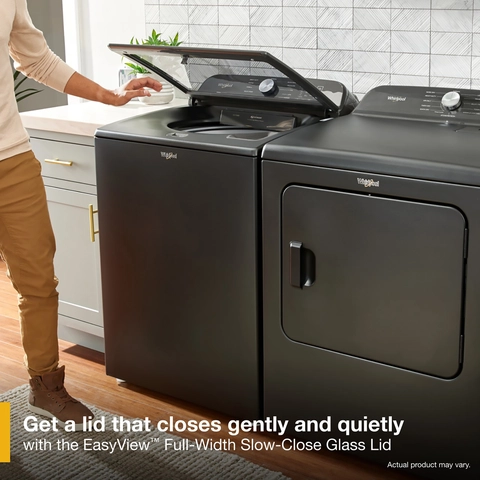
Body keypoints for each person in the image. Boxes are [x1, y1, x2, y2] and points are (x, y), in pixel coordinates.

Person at [1, 0, 162, 430]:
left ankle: (45, 386)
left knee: (38, 280)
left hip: (11, 157)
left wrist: (110, 96)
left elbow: (36, 59)